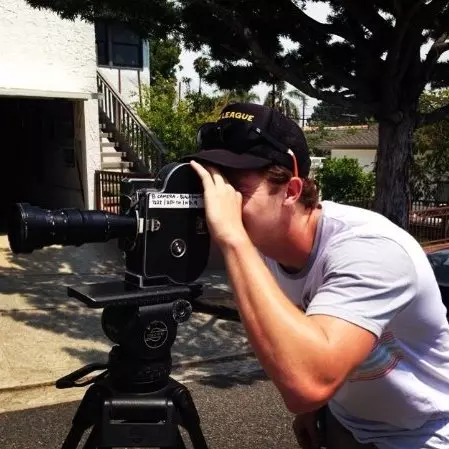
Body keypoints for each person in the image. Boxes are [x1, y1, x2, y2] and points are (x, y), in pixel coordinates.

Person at [182, 102, 449, 449]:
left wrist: (233, 240)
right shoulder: (262, 245)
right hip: (343, 423)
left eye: (235, 190)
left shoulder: (369, 250)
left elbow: (307, 384)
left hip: (422, 434)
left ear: (292, 190)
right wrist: (317, 409)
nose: (218, 205)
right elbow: (308, 340)